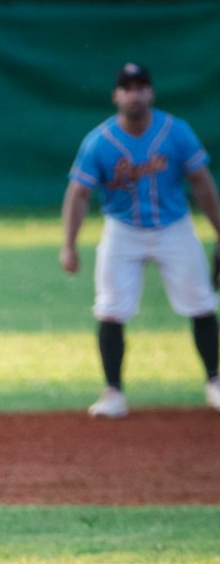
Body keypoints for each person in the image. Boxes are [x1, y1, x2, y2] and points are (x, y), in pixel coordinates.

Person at [61, 63, 220, 418]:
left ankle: (214, 381)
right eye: (127, 88)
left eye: (141, 87)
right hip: (123, 231)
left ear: (151, 93)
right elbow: (79, 194)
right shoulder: (100, 141)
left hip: (174, 228)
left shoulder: (176, 132)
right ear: (115, 96)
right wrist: (69, 245)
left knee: (201, 302)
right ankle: (113, 392)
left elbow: (202, 183)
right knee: (110, 308)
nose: (134, 94)